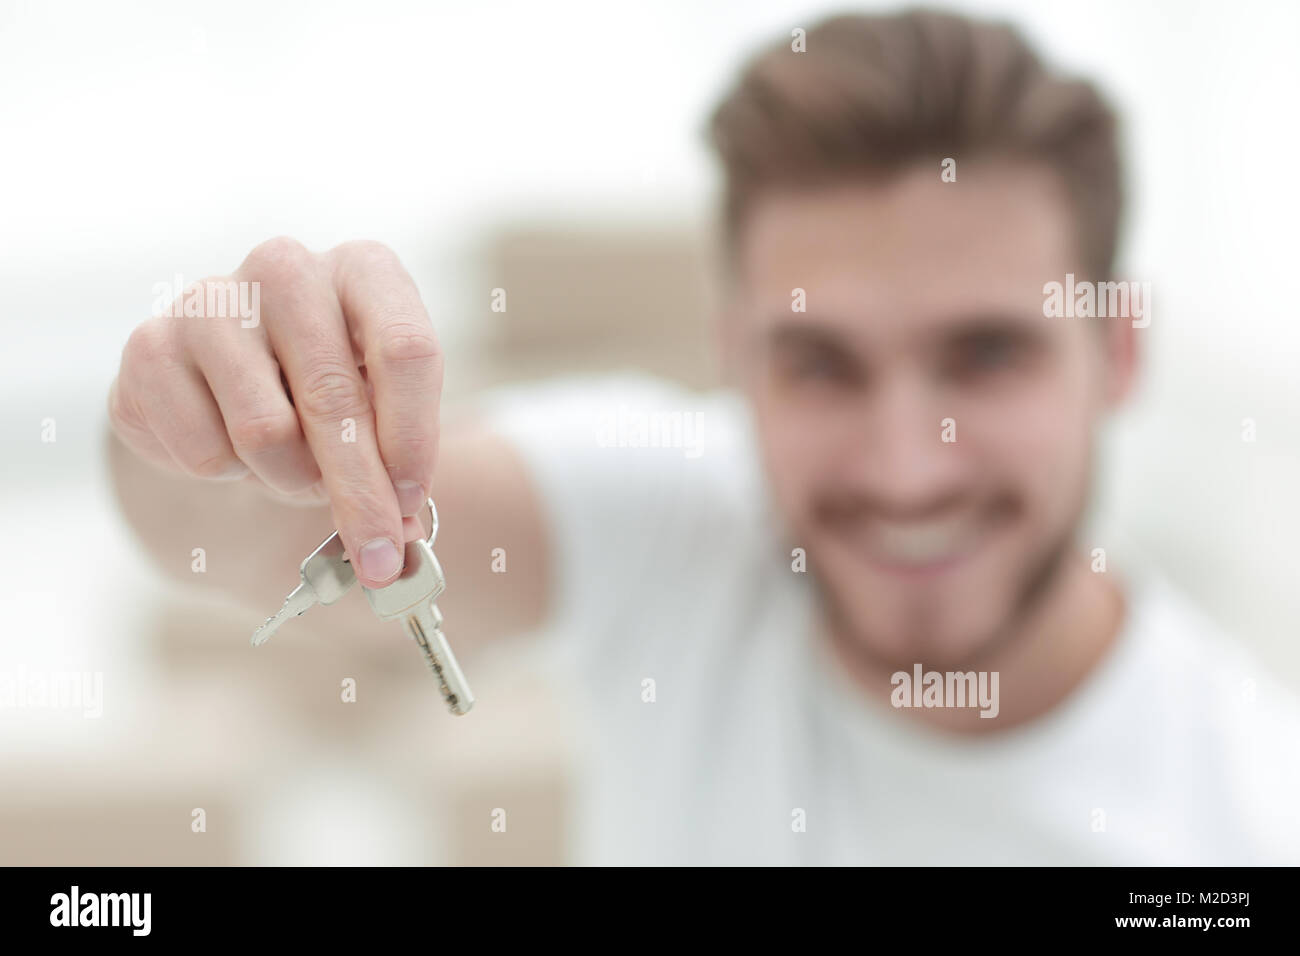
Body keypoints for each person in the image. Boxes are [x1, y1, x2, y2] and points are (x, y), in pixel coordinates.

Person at [106, 9, 1299, 864]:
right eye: (817, 362)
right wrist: (199, 416)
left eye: (986, 354)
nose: (903, 464)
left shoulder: (1250, 813)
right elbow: (234, 529)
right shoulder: (680, 518)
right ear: (734, 361)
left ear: (1119, 353)